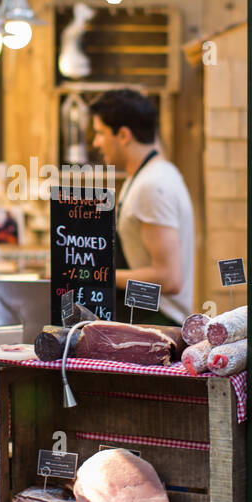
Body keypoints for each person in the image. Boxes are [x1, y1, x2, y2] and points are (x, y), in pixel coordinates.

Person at [89, 88, 195, 326]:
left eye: (100, 133)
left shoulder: (152, 185)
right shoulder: (141, 178)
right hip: (143, 316)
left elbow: (169, 278)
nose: (96, 142)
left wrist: (99, 276)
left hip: (160, 321)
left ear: (124, 135)